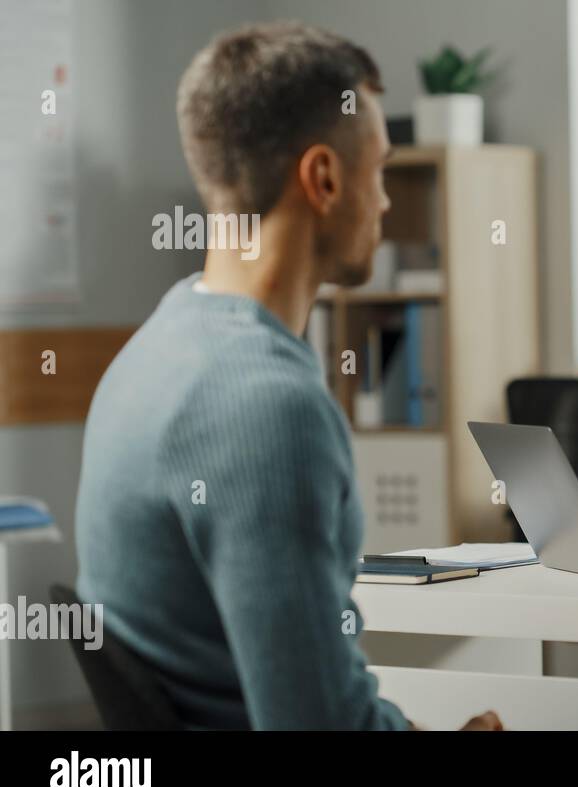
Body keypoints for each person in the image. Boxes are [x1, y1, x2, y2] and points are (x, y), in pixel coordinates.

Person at [76, 21, 500, 730]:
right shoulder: (266, 408)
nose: (388, 201)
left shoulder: (149, 353)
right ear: (325, 179)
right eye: (380, 170)